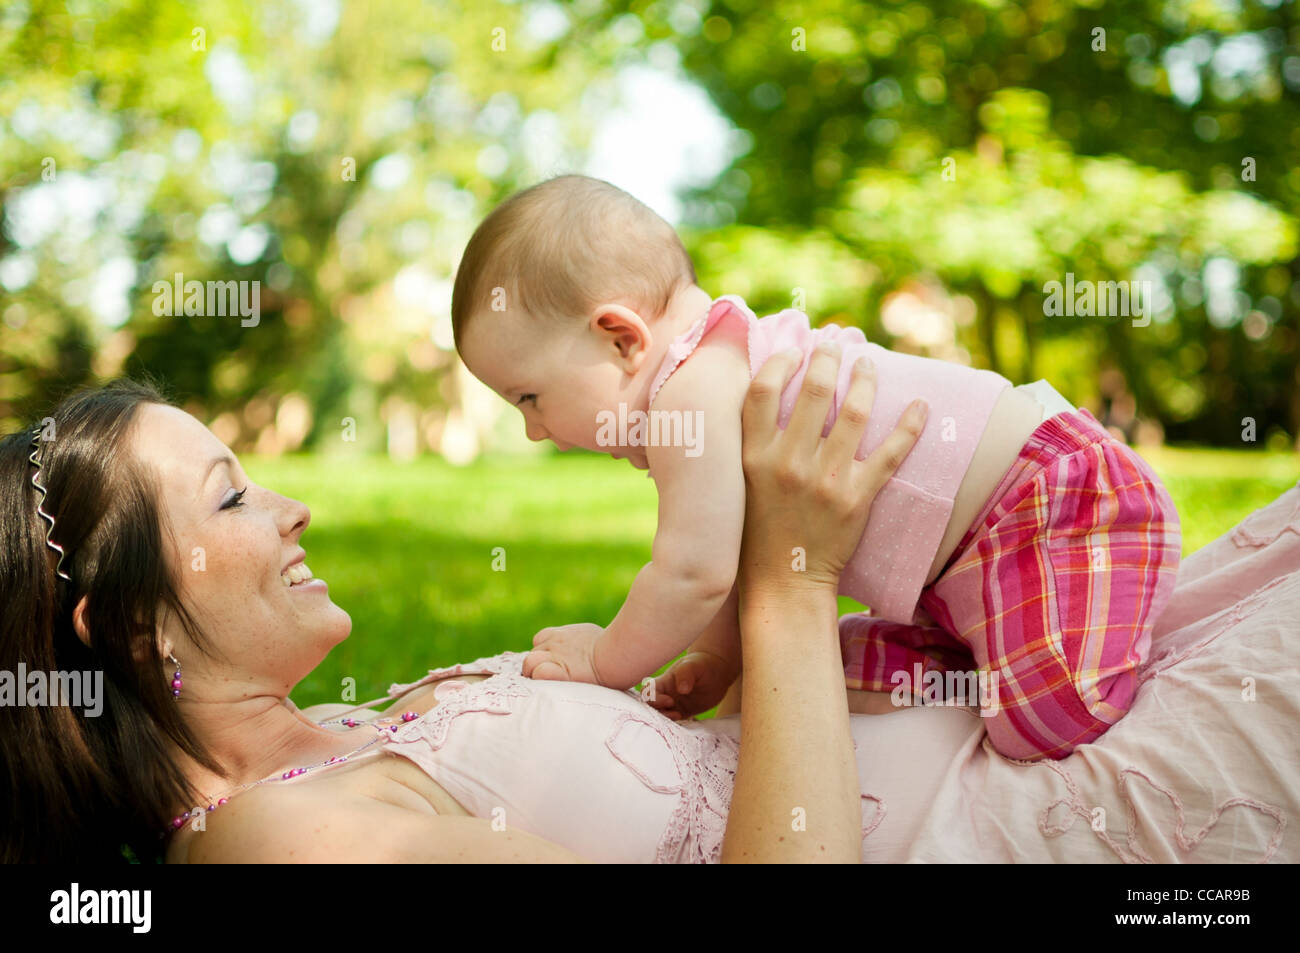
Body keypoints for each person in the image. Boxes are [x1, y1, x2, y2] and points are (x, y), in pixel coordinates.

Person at [0, 346, 923, 863]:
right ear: (133, 625)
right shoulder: (277, 840)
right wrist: (792, 586)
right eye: (231, 497)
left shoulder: (329, 738)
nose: (295, 509)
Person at [450, 174, 1183, 760]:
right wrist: (715, 655)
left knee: (1049, 722)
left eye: (531, 396)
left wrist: (604, 659)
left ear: (620, 338)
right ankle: (986, 660)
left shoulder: (693, 389)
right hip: (949, 577)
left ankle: (1129, 613)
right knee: (834, 677)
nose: (534, 430)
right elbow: (736, 559)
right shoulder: (708, 372)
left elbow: (693, 569)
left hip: (1046, 507)